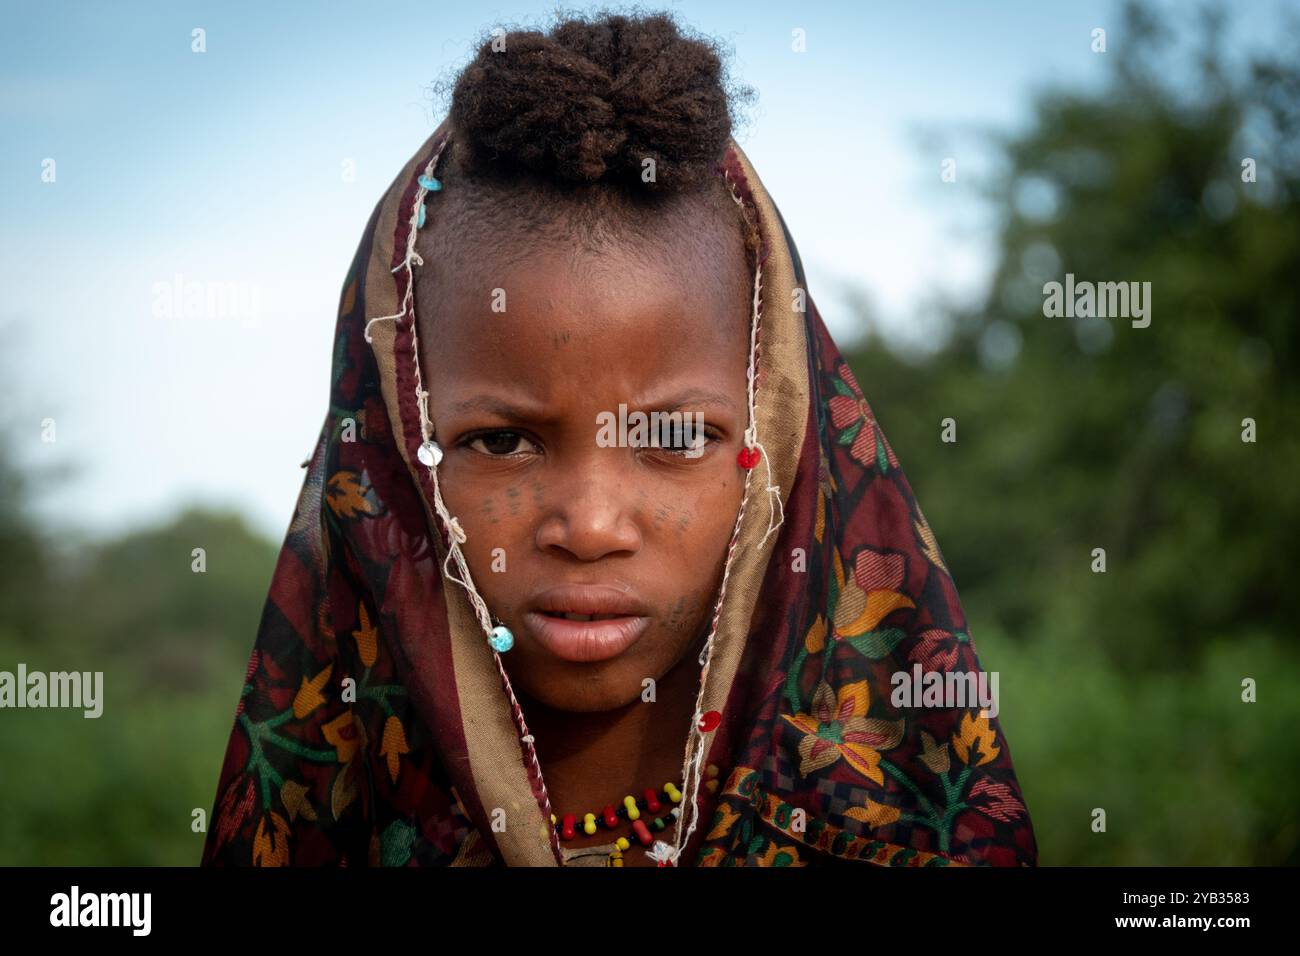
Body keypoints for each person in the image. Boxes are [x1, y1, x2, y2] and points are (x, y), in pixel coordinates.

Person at [201, 10, 1037, 867]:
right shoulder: (321, 831)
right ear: (388, 453)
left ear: (780, 440)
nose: (592, 526)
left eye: (674, 434)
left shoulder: (898, 840)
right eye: (500, 442)